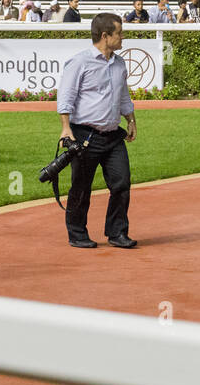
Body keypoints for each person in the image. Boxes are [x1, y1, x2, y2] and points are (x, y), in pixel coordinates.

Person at [56, 13, 138, 248]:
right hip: (84, 136)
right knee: (81, 187)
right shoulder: (80, 62)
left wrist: (131, 120)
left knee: (121, 183)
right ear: (105, 36)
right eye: (119, 33)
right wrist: (65, 128)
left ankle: (117, 232)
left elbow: (124, 95)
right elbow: (66, 97)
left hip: (113, 135)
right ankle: (77, 233)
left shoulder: (119, 63)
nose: (123, 37)